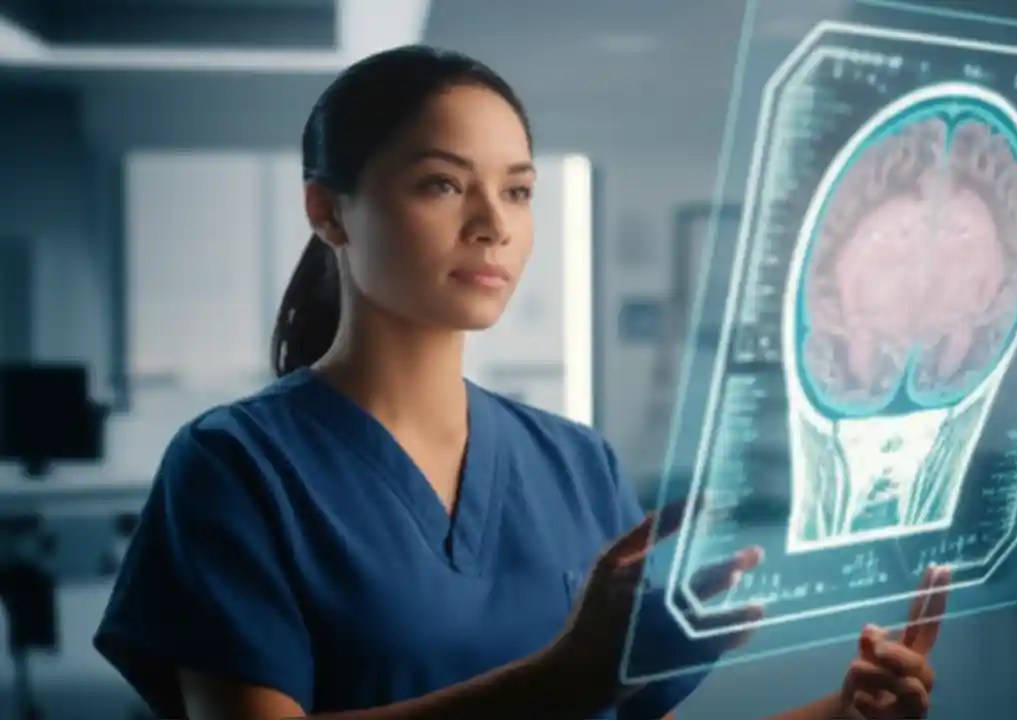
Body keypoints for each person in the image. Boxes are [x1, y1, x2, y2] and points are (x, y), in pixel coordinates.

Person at [93, 44, 950, 720]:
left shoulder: (578, 467)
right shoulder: (236, 467)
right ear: (329, 212)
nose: (493, 225)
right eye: (442, 184)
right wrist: (557, 684)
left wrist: (840, 713)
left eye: (519, 190)